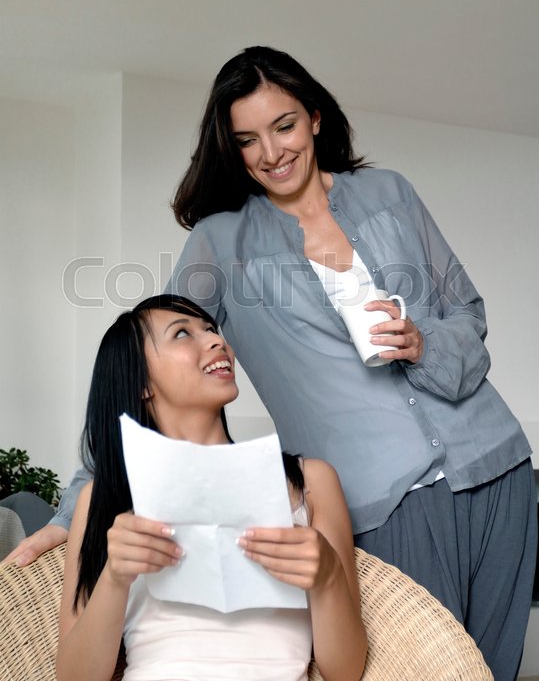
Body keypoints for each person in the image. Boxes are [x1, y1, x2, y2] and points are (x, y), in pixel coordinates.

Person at [7, 46, 536, 678]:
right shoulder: (220, 242)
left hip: (495, 460)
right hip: (383, 499)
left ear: (314, 118)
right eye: (247, 139)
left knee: (491, 671)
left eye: (283, 126)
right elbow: (145, 367)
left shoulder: (390, 193)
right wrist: (76, 510)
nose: (271, 152)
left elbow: (469, 315)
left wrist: (422, 345)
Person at [55, 294, 366, 681]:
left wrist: (329, 576)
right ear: (141, 384)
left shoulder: (312, 482)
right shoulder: (101, 501)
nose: (217, 341)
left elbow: (347, 671)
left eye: (211, 330)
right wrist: (116, 577)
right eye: (182, 334)